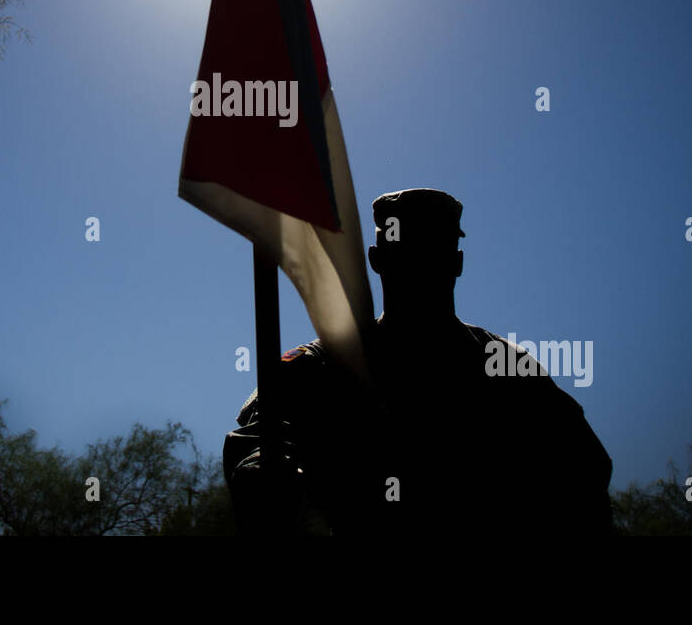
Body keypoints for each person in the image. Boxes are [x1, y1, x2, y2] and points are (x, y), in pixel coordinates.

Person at [223, 187, 613, 535]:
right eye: (407, 250)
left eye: (432, 250)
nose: (420, 264)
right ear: (378, 259)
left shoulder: (506, 369)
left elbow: (583, 471)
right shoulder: (325, 364)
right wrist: (261, 469)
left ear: (455, 262)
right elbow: (261, 434)